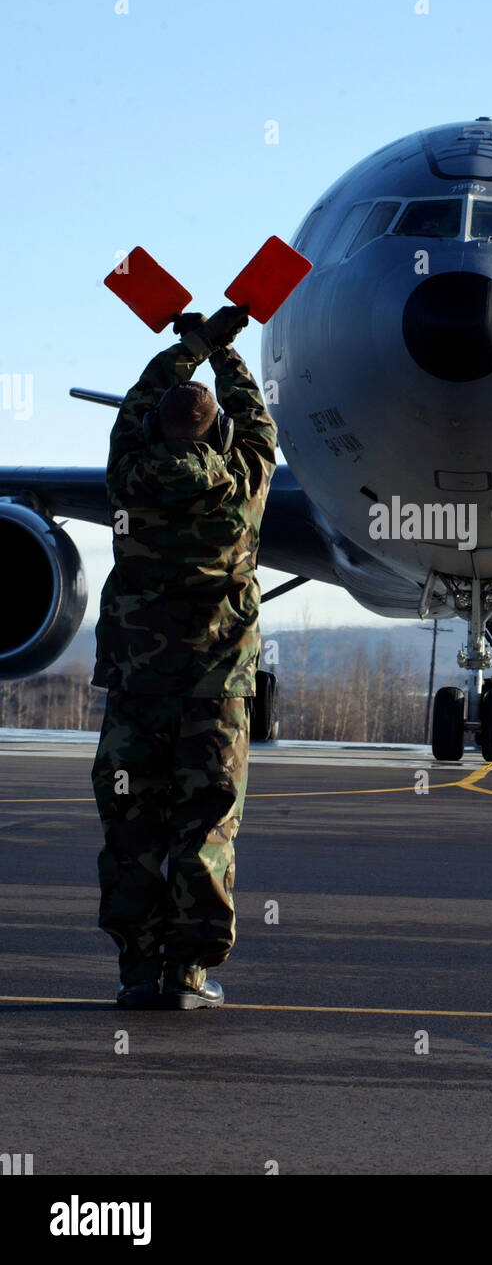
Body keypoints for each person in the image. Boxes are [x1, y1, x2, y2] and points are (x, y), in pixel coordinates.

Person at [90, 305, 277, 1010]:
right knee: (204, 831)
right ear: (220, 436)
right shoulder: (242, 494)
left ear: (149, 431)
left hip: (138, 690)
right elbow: (257, 422)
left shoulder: (126, 482)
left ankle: (136, 972)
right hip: (214, 693)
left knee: (132, 828)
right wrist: (228, 354)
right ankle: (187, 976)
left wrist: (191, 344)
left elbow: (138, 404)